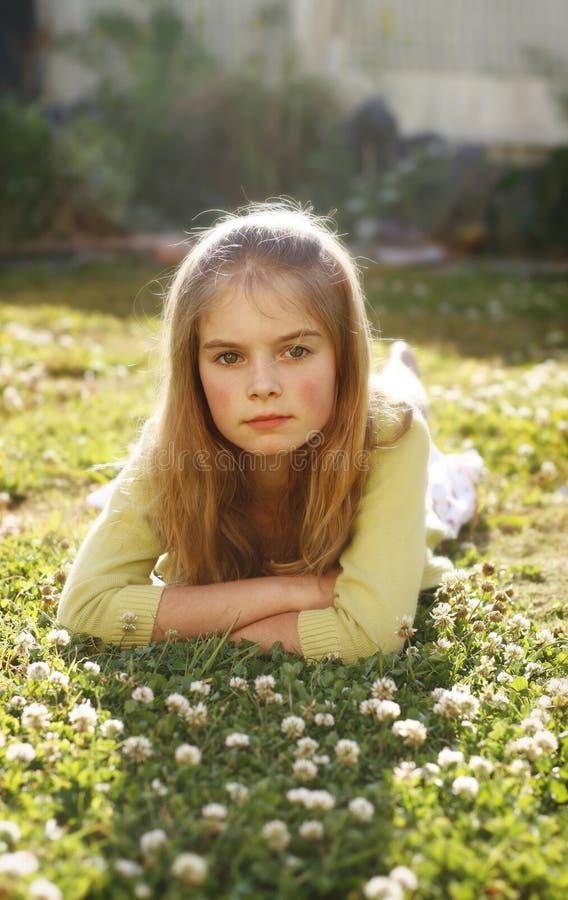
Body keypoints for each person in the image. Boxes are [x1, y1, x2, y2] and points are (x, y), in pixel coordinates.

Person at [58, 202, 479, 664]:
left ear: (344, 355)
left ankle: (403, 371)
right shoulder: (171, 443)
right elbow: (85, 608)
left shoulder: (391, 440)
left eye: (295, 351)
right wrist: (299, 590)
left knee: (424, 446)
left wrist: (195, 622)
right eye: (229, 357)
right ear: (193, 369)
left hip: (381, 440)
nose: (262, 387)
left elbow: (371, 634)